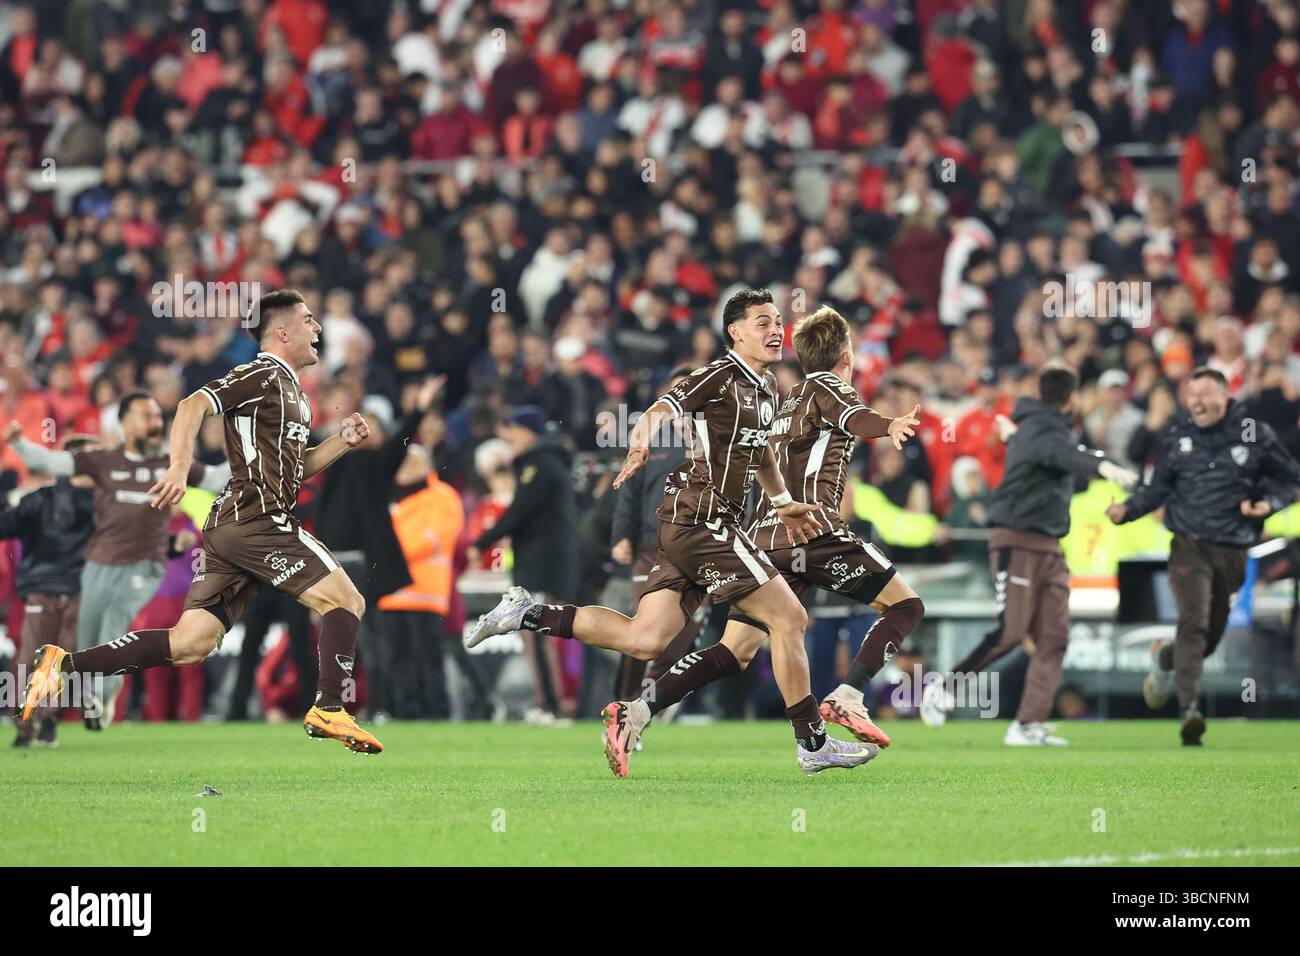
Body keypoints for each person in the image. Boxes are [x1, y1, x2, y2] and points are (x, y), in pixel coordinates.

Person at [468, 288, 877, 776]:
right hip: (703, 521)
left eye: (777, 322)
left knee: (644, 640)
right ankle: (812, 743)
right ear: (735, 332)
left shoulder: (766, 389)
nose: (775, 330)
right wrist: (640, 440)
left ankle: (527, 613)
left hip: (692, 525)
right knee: (789, 617)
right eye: (762, 322)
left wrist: (784, 503)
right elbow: (665, 406)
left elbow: (762, 454)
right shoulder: (720, 375)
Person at [22, 289, 385, 755]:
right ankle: (330, 707)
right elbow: (192, 405)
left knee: (190, 642)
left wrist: (340, 443)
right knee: (347, 599)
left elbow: (297, 469)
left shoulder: (294, 391)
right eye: (309, 319)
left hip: (235, 526)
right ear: (282, 331)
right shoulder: (262, 374)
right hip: (257, 520)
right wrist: (177, 466)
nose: (318, 328)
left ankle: (64, 665)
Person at [602, 306, 927, 750]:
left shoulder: (784, 398)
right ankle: (849, 695)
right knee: (906, 606)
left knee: (735, 649)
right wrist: (889, 424)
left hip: (765, 537)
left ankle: (638, 710)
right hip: (814, 530)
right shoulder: (825, 386)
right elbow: (855, 419)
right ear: (846, 356)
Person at [921, 366, 1138, 745]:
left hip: (1049, 545)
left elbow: (1051, 454)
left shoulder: (1034, 428)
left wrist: (1013, 438)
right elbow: (1064, 453)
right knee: (1012, 630)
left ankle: (1027, 724)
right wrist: (1102, 465)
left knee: (1053, 636)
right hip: (1017, 542)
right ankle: (944, 689)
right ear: (1073, 399)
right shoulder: (1046, 429)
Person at [4, 392, 230, 727]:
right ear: (124, 422)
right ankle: (93, 697)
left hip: (144, 565)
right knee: (88, 638)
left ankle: (99, 698)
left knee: (114, 621)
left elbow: (214, 479)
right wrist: (20, 444)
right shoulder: (103, 461)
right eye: (146, 416)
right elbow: (54, 464)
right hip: (98, 566)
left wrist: (250, 451)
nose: (155, 423)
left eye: (156, 417)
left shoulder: (170, 463)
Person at [1105, 366, 1300, 745]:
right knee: (1193, 620)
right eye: (1192, 395)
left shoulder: (1254, 434)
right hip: (1187, 544)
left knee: (1210, 635)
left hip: (1233, 548)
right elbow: (1157, 488)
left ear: (1224, 396)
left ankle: (1166, 660)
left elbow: (1292, 479)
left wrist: (1268, 504)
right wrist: (1126, 511)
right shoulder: (1176, 436)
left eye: (1205, 394)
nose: (1197, 402)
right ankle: (1189, 710)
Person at [468, 405, 577, 722]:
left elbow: (519, 511)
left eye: (513, 429)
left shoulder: (540, 464)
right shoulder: (549, 461)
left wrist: (481, 542)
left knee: (538, 634)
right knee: (537, 635)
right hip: (545, 565)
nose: (508, 437)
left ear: (528, 430)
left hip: (543, 567)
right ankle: (547, 703)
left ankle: (552, 706)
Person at [608, 365, 704, 706]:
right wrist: (622, 536)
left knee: (682, 634)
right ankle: (626, 698)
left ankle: (642, 706)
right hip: (651, 546)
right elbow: (628, 492)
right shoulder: (650, 438)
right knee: (641, 628)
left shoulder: (718, 438)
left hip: (701, 547)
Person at [1, 435, 96, 746]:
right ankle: (25, 723)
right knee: (30, 659)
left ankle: (49, 719)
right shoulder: (39, 499)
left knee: (66, 662)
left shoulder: (105, 505)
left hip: (80, 590)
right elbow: (5, 527)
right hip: (43, 589)